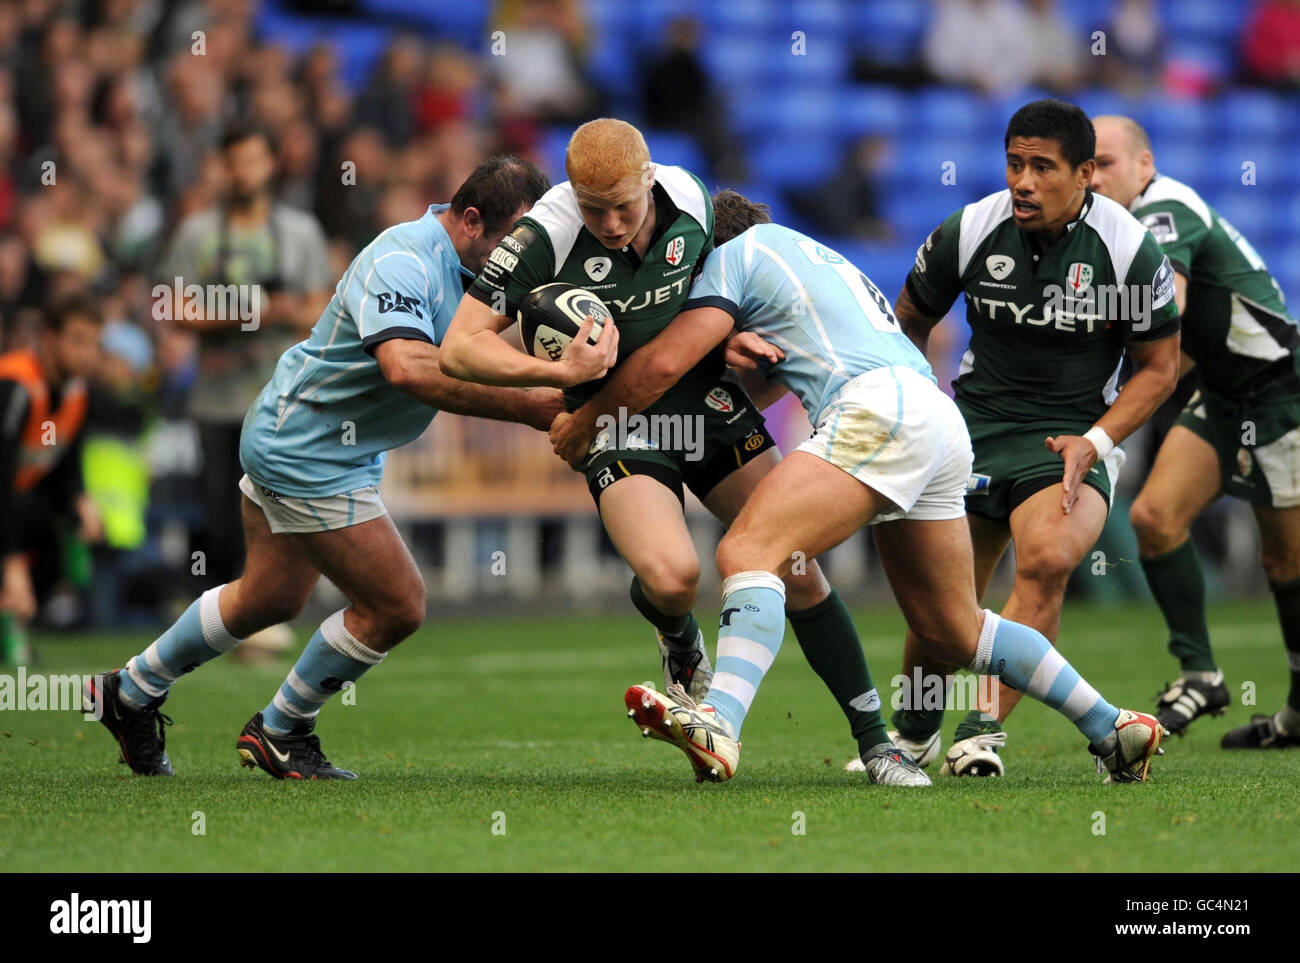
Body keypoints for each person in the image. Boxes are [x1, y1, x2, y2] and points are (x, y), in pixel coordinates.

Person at [566, 189, 1168, 785]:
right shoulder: (805, 257)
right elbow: (768, 379)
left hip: (877, 411)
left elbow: (668, 363)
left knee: (748, 552)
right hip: (932, 414)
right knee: (954, 629)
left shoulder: (732, 256)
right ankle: (1114, 726)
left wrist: (586, 418)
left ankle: (719, 722)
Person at [444, 119, 910, 782]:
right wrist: (561, 374)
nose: (609, 223)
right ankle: (679, 637)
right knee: (673, 578)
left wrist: (731, 340)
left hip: (704, 400)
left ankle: (876, 741)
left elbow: (705, 304)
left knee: (797, 564)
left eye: (623, 207)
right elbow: (460, 347)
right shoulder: (539, 235)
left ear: (651, 178)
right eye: (592, 207)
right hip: (617, 419)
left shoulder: (690, 200)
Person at [83, 156, 562, 779]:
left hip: (317, 439)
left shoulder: (475, 269)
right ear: (471, 221)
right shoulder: (404, 259)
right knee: (398, 604)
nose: (517, 262)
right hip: (306, 449)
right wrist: (532, 408)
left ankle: (128, 692)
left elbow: (498, 346)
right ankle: (281, 728)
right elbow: (408, 368)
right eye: (512, 243)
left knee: (268, 597)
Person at [888, 99, 1182, 777]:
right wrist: (924, 406)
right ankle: (912, 737)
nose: (1022, 180)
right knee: (944, 601)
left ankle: (981, 731)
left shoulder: (1129, 249)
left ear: (1084, 175)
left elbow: (1159, 368)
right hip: (972, 430)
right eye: (1014, 163)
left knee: (1046, 559)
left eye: (1041, 167)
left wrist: (1099, 440)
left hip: (1069, 440)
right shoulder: (968, 230)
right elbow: (908, 320)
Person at [1092, 115, 1300, 749]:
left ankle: (1298, 712)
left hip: (1279, 394)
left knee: (1286, 559)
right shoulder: (1122, 230)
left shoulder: (1165, 207)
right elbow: (1172, 354)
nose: (1094, 178)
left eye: (1106, 163)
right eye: (1087, 166)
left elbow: (1170, 309)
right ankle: (1201, 674)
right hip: (1223, 392)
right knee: (1154, 518)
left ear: (1144, 166)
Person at [157, 123, 334, 590]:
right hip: (216, 399)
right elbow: (172, 306)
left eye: (253, 160)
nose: (243, 172)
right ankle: (226, 607)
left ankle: (270, 602)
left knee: (281, 508)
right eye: (234, 162)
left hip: (282, 399)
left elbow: (322, 308)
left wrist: (276, 310)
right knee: (221, 516)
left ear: (271, 165)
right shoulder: (197, 233)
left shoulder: (300, 231)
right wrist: (253, 310)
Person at [0, 295, 102, 662]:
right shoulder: (16, 385)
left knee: (63, 528)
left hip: (18, 500)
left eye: (94, 343)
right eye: (77, 341)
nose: (87, 354)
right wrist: (11, 564)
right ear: (49, 338)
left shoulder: (75, 392)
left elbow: (63, 467)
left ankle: (11, 622)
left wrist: (80, 501)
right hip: (7, 499)